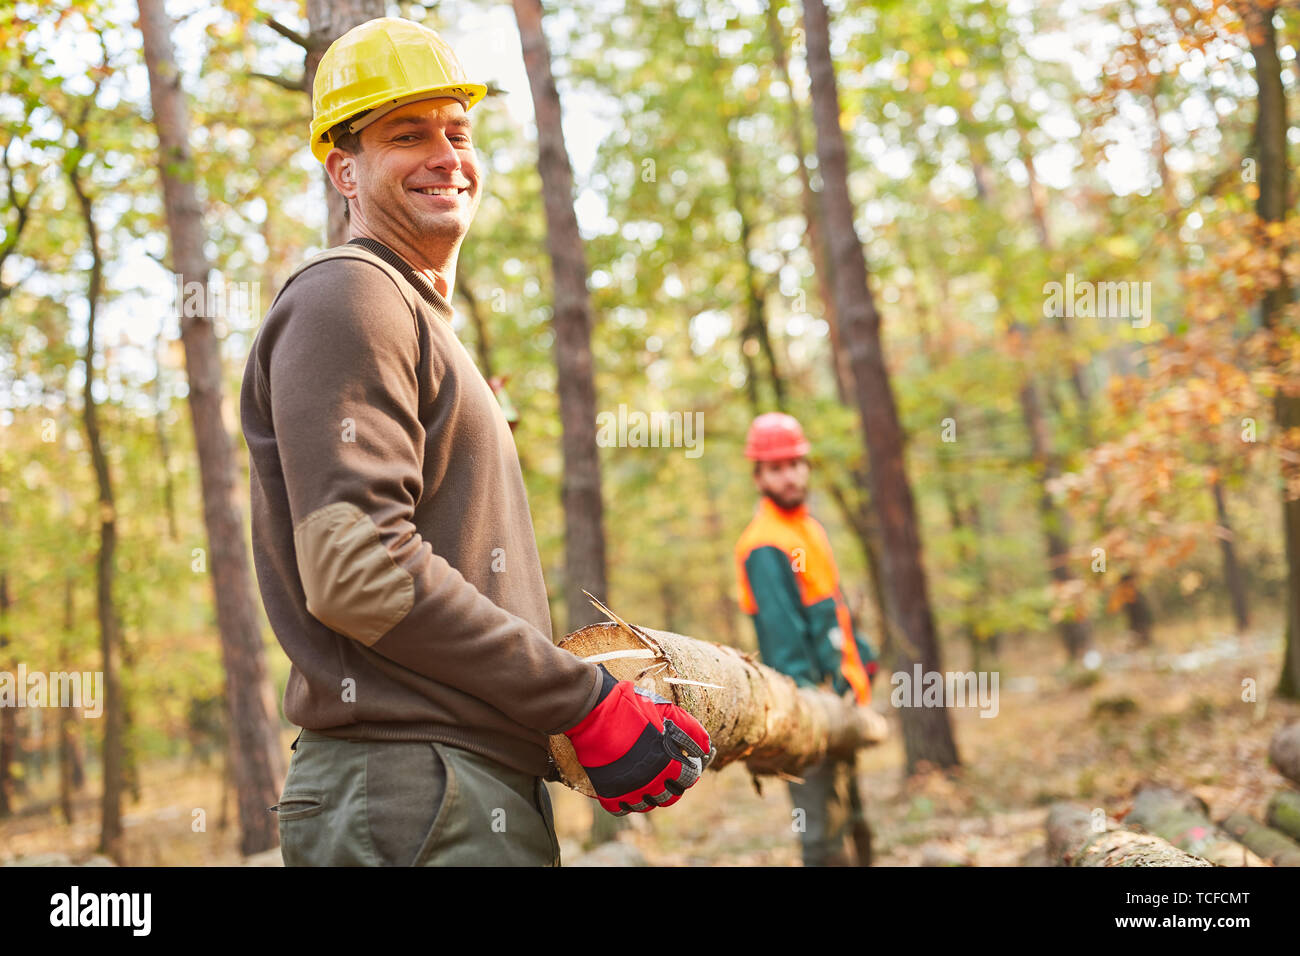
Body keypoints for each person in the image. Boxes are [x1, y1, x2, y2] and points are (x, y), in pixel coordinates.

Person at [239, 17, 709, 866]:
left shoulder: (414, 318)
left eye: (458, 131)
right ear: (344, 168)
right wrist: (583, 700)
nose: (446, 155)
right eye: (407, 134)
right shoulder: (349, 294)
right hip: (412, 786)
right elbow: (360, 572)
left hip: (456, 786)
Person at [734, 412, 879, 866]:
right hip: (809, 712)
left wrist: (864, 665)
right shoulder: (764, 544)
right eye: (776, 468)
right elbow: (785, 639)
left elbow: (832, 610)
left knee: (853, 818)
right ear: (759, 476)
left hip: (840, 702)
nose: (790, 475)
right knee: (822, 834)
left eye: (795, 463)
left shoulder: (809, 530)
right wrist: (812, 706)